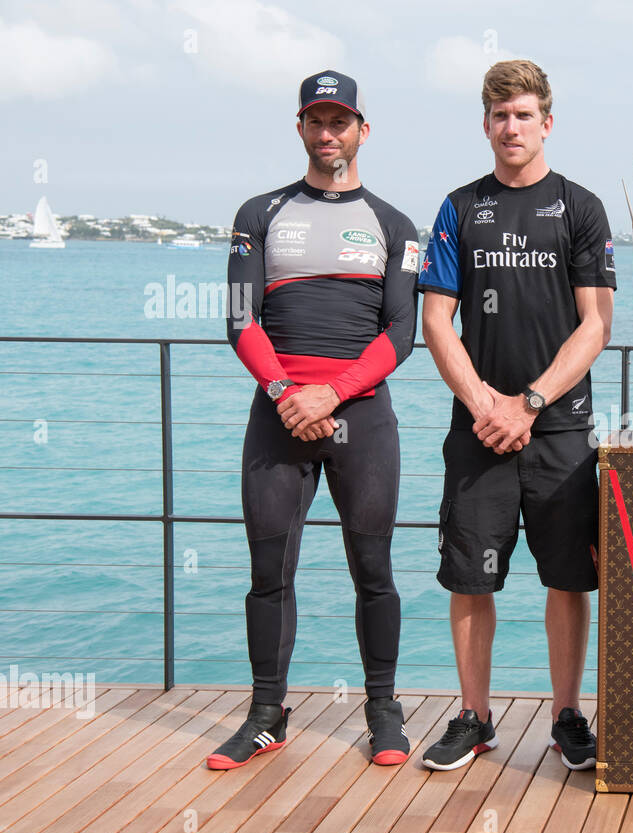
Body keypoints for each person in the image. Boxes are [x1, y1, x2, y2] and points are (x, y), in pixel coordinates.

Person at [209, 70, 420, 770]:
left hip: (361, 418)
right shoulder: (259, 213)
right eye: (315, 121)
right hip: (278, 416)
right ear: (300, 128)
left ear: (363, 129)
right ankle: (266, 714)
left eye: (340, 121)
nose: (328, 133)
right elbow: (241, 318)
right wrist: (284, 391)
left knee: (374, 569)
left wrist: (329, 395)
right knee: (269, 570)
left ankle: (382, 710)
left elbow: (400, 331)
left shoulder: (394, 225)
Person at [416, 59, 615, 772]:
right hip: (478, 429)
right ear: (485, 124)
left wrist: (529, 402)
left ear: (546, 123)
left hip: (559, 429)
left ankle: (566, 714)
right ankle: (474, 715)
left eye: (524, 114)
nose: (511, 127)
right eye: (499, 115)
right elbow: (436, 320)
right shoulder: (459, 207)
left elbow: (595, 325)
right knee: (470, 578)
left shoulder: (580, 207)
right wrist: (485, 404)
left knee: (569, 577)